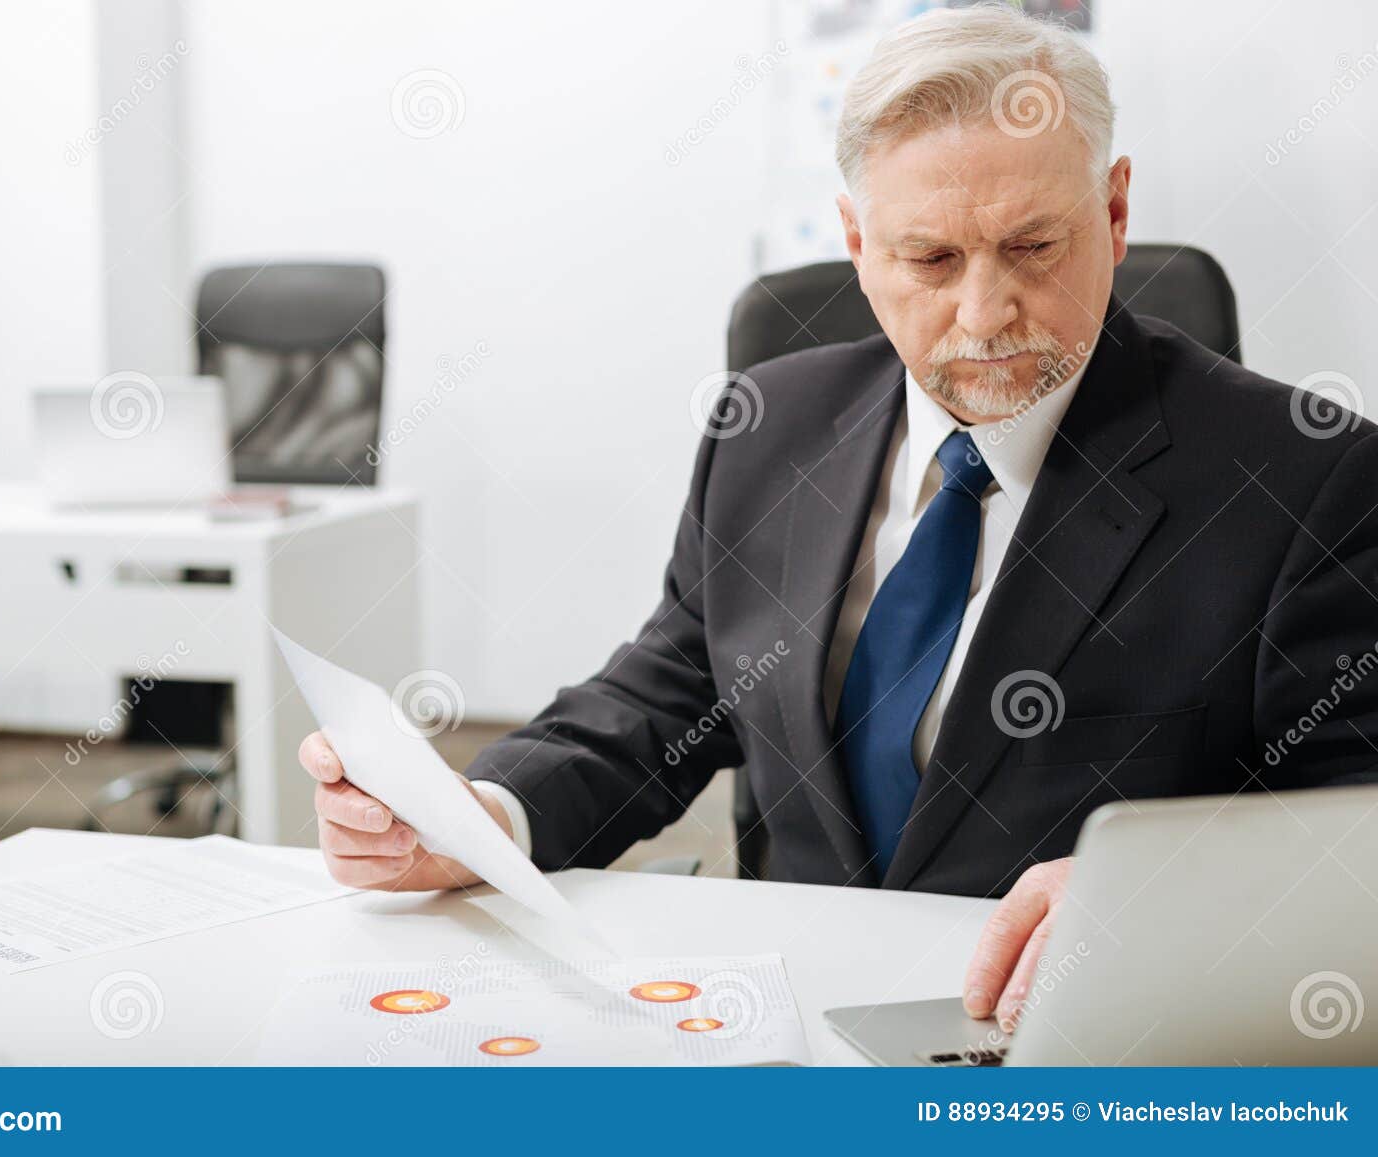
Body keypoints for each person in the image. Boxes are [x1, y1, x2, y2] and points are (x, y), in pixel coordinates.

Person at [302, 2, 1378, 1035]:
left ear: (1113, 212)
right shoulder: (766, 423)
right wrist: (487, 820)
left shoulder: (1305, 475)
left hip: (1085, 1037)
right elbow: (671, 689)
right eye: (931, 259)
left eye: (1035, 246)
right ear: (859, 243)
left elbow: (1353, 818)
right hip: (785, 1018)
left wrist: (1160, 894)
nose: (985, 312)